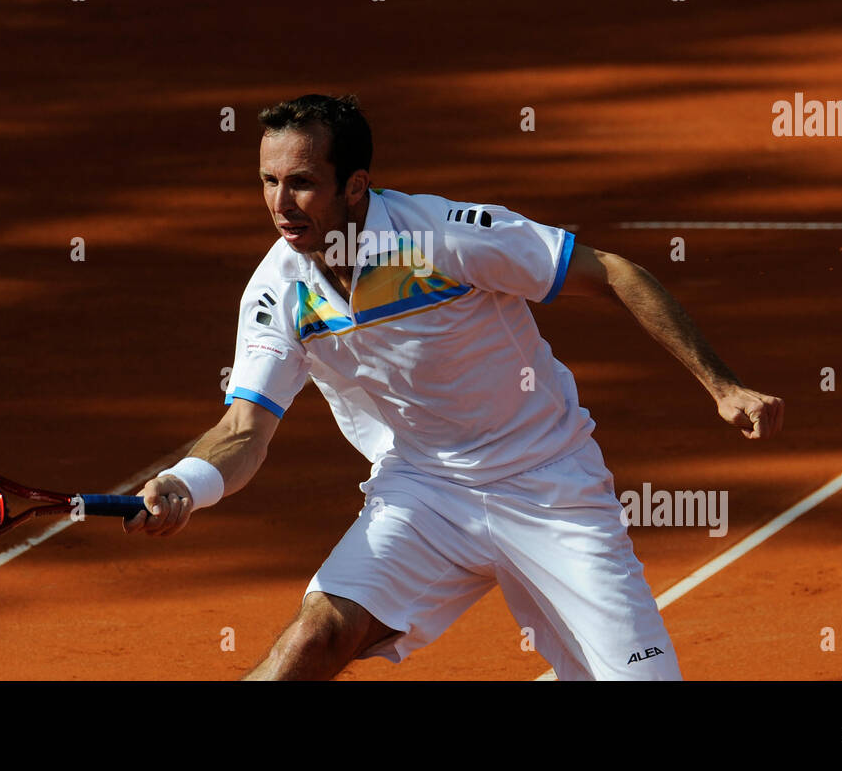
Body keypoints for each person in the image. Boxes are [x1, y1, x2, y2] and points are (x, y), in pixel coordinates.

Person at [124, 93, 784, 680]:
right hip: (425, 491)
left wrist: (722, 386)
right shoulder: (278, 292)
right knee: (315, 636)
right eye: (268, 181)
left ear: (355, 186)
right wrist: (188, 483)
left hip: (548, 483)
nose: (279, 203)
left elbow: (614, 273)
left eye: (301, 183)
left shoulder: (441, 237)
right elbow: (245, 429)